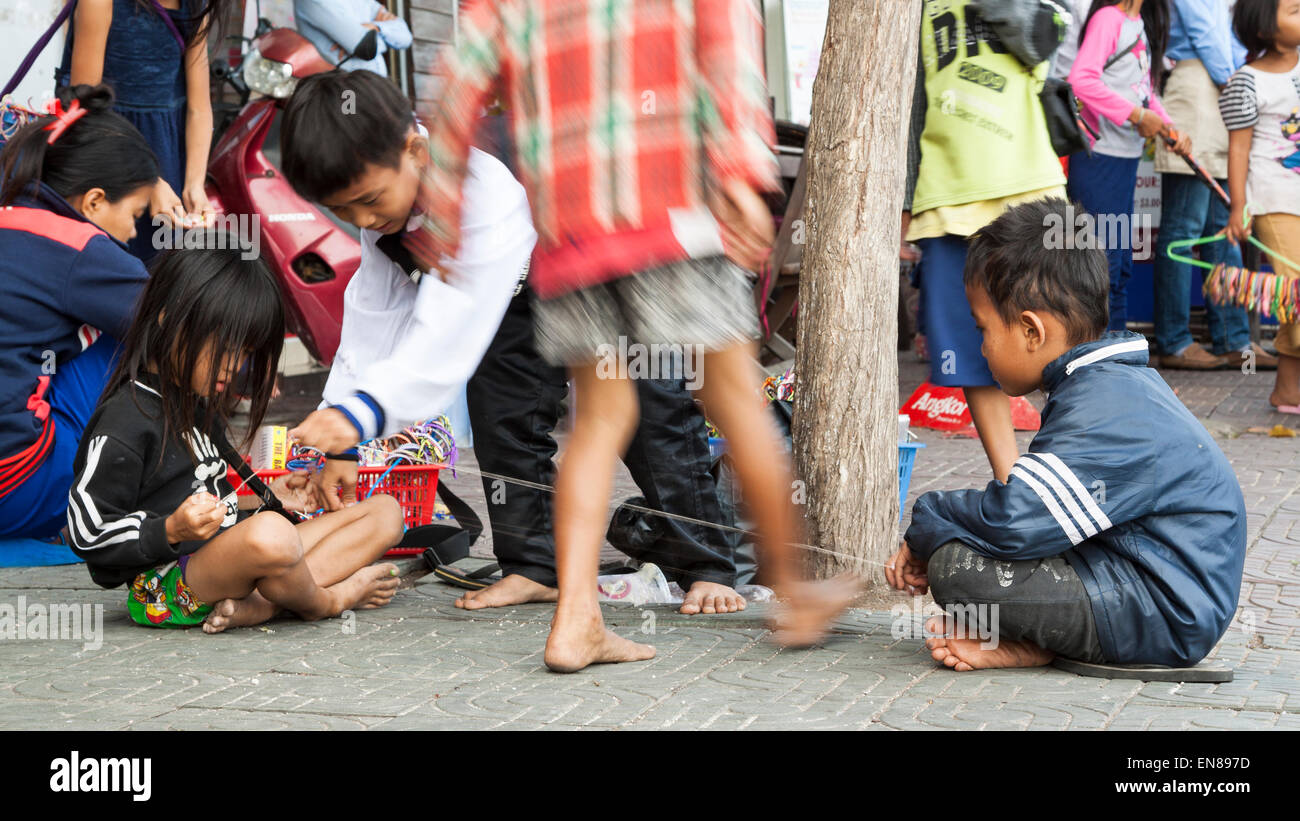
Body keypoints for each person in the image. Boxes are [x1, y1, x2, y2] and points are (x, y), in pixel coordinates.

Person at [406, 0, 860, 674]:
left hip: (569, 239)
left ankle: (576, 621)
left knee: (599, 421)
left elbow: (458, 85)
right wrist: (742, 173)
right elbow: (727, 46)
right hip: (671, 214)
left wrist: (441, 212)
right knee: (734, 397)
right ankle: (796, 591)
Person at [276, 70, 748, 616]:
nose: (365, 220)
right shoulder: (384, 217)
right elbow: (370, 325)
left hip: (603, 267)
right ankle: (534, 566)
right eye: (343, 211)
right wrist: (343, 444)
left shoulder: (480, 183)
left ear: (417, 150)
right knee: (504, 418)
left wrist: (364, 414)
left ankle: (708, 566)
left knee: (652, 411)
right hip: (508, 296)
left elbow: (453, 322)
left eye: (369, 200)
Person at [887, 198, 1246, 671]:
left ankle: (1043, 644)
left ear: (1032, 330)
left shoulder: (1103, 405)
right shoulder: (1102, 384)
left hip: (1165, 613)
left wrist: (926, 522)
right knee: (964, 553)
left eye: (983, 330)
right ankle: (1038, 643)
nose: (981, 348)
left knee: (955, 567)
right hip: (1140, 588)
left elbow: (1014, 523)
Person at [67, 242, 406, 632]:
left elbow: (202, 497)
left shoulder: (194, 403)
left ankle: (263, 605)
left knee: (386, 513)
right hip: (164, 588)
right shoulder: (125, 419)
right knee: (273, 537)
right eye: (226, 348)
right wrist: (171, 530)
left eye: (244, 351)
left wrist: (268, 497)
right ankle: (327, 600)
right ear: (169, 318)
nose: (236, 365)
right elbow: (85, 528)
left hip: (233, 557)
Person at [906, 0, 1069, 482]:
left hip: (1026, 188)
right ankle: (1012, 481)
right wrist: (905, 198)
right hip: (945, 196)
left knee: (1056, 338)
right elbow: (915, 102)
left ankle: (1068, 468)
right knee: (975, 350)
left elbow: (1043, 38)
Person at [0, 84, 157, 563]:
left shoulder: (12, 219)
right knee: (153, 338)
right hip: (17, 487)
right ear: (93, 201)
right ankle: (133, 495)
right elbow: (180, 326)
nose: (133, 233)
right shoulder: (80, 248)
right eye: (134, 214)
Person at [1153, 0, 1272, 370]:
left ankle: (1233, 339)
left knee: (1224, 228)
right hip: (1199, 85)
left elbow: (1231, 36)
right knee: (1184, 227)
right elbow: (1206, 34)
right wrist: (1236, 81)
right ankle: (1174, 340)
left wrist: (1238, 78)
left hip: (1223, 84)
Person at [57, 0, 224, 260]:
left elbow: (199, 109)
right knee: (110, 264)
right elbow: (86, 108)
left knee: (160, 269)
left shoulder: (195, 6)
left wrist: (194, 184)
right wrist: (147, 180)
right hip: (107, 153)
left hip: (169, 160)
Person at [1069, 0, 1188, 331]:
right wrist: (1137, 116)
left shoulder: (1137, 23)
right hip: (1099, 160)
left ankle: (1118, 366)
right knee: (1100, 272)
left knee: (1117, 269)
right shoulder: (1109, 19)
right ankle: (1102, 369)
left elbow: (1143, 91)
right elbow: (1081, 79)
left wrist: (1168, 127)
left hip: (1122, 159)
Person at [1221, 0, 1300, 409]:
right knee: (1298, 293)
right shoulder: (1246, 81)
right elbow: (1238, 150)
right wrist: (1239, 208)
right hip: (1274, 202)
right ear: (1266, 28)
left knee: (1293, 299)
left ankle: (1288, 391)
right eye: (1295, 11)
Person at [294, 0, 412, 77]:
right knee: (350, 112)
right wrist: (382, 34)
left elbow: (406, 38)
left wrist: (377, 27)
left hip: (376, 87)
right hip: (347, 90)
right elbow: (366, 48)